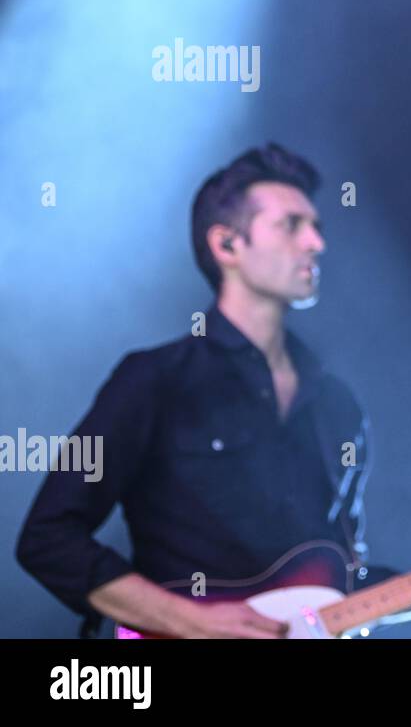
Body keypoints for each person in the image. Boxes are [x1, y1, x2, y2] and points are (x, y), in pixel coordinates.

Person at [16, 144, 387, 638]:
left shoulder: (338, 403)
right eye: (291, 225)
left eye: (316, 226)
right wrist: (193, 621)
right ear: (227, 245)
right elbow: (48, 536)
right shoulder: (156, 380)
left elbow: (344, 570)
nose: (316, 242)